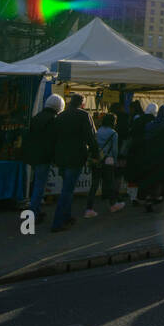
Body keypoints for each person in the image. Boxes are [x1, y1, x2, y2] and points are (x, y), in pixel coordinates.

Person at [50, 93, 100, 232]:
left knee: (67, 188)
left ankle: (66, 217)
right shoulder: (83, 115)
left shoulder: (60, 116)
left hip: (61, 156)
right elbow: (91, 137)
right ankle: (58, 222)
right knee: (67, 190)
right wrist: (95, 154)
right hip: (76, 156)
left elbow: (54, 137)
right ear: (82, 103)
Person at [22, 94, 64, 222]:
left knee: (37, 184)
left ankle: (36, 210)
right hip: (43, 156)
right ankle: (33, 213)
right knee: (40, 185)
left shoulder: (37, 117)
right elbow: (53, 140)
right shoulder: (53, 120)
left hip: (33, 155)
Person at [85, 113, 126, 217]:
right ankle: (113, 204)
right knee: (110, 183)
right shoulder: (113, 133)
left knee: (94, 185)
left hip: (97, 160)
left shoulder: (98, 131)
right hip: (108, 160)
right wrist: (116, 161)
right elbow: (115, 150)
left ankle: (89, 208)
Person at [140, 105, 164, 210]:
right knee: (161, 179)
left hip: (149, 155)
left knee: (151, 179)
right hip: (162, 157)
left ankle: (149, 199)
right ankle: (160, 197)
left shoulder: (149, 125)